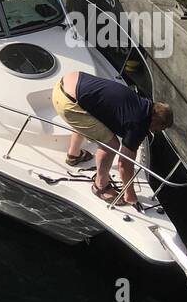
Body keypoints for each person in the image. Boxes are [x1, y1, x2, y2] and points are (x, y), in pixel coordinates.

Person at [51, 70, 173, 207]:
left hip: (64, 84)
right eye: (158, 129)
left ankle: (74, 155)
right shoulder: (140, 123)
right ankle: (100, 186)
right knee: (112, 145)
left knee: (90, 112)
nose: (154, 132)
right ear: (156, 121)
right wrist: (129, 192)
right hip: (68, 104)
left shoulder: (142, 102)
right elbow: (124, 164)